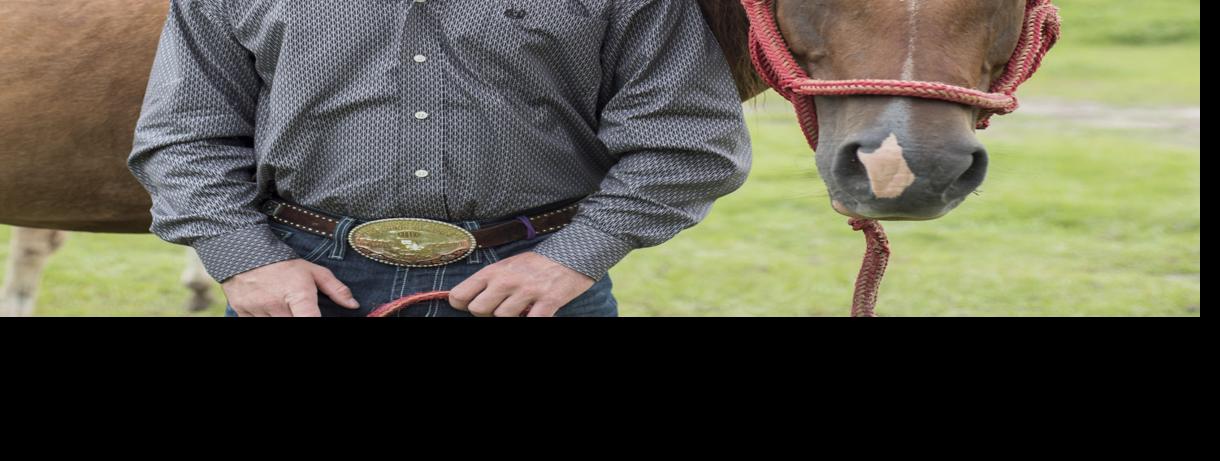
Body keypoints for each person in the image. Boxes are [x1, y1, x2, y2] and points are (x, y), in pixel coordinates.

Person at [128, 0, 752, 317]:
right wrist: (248, 262)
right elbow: (184, 136)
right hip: (304, 284)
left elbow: (685, 140)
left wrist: (571, 260)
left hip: (533, 288)